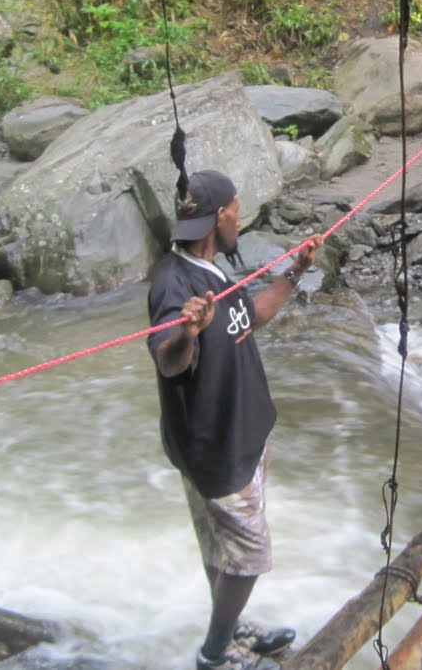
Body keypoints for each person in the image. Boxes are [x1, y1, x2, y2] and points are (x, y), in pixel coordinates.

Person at [146, 169, 321, 670]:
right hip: (216, 449)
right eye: (237, 213)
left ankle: (229, 628)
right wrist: (189, 333)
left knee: (221, 544)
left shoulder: (215, 270)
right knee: (249, 558)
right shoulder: (173, 285)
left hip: (233, 438)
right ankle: (215, 651)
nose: (238, 223)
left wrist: (294, 271)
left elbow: (253, 315)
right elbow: (168, 358)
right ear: (219, 216)